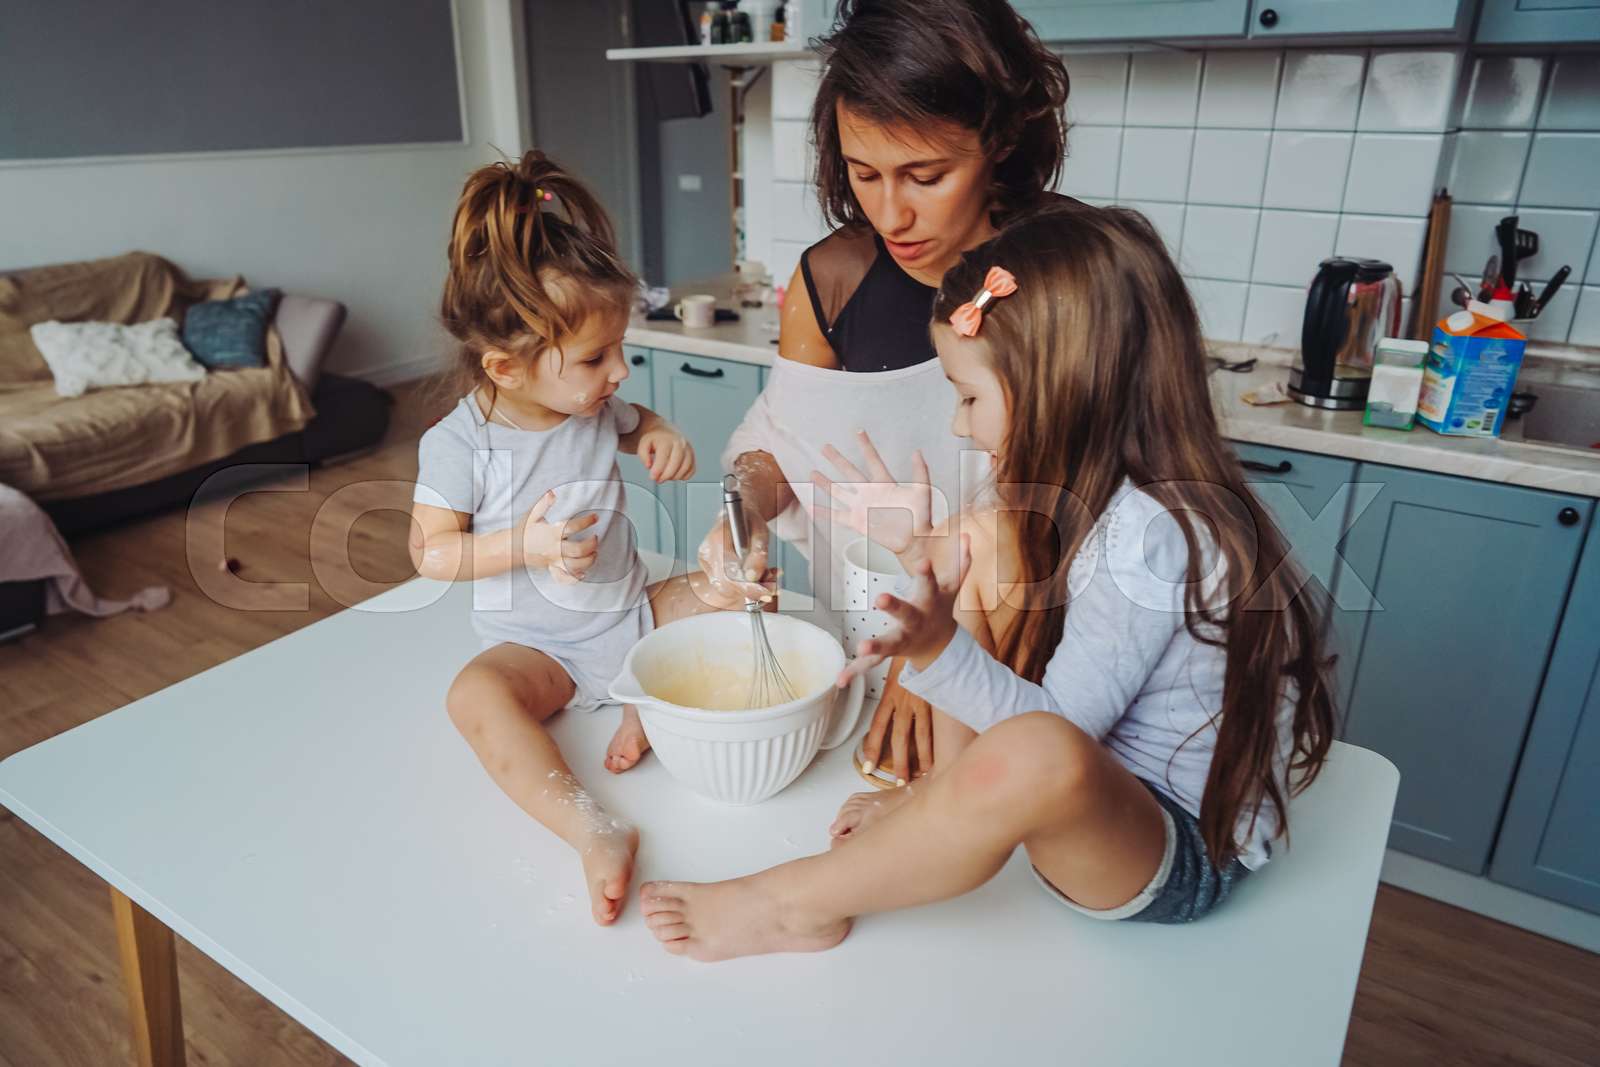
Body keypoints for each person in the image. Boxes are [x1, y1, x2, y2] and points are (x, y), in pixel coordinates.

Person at [639, 204, 1337, 959]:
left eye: (969, 398)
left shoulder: (1157, 531)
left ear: (1060, 388)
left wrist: (936, 651)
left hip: (1174, 850)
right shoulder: (1114, 500)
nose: (961, 428)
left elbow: (1054, 741)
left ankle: (792, 900)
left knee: (1040, 744)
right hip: (1103, 793)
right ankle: (940, 792)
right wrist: (925, 554)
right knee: (965, 540)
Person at [700, 0, 1076, 785]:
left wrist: (935, 658)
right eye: (864, 173)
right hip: (869, 647)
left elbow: (1076, 503)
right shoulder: (831, 284)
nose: (891, 211)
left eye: (926, 175)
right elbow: (774, 449)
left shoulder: (1068, 274)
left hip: (1023, 667)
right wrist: (740, 514)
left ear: (999, 140)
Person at [409, 151, 753, 926]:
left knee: (736, 591)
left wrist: (663, 435)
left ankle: (646, 696)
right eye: (599, 357)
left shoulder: (592, 407)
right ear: (507, 367)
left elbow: (642, 425)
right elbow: (428, 551)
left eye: (620, 349)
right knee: (474, 695)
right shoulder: (460, 446)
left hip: (634, 614)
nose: (621, 372)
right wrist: (521, 547)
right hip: (542, 651)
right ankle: (590, 824)